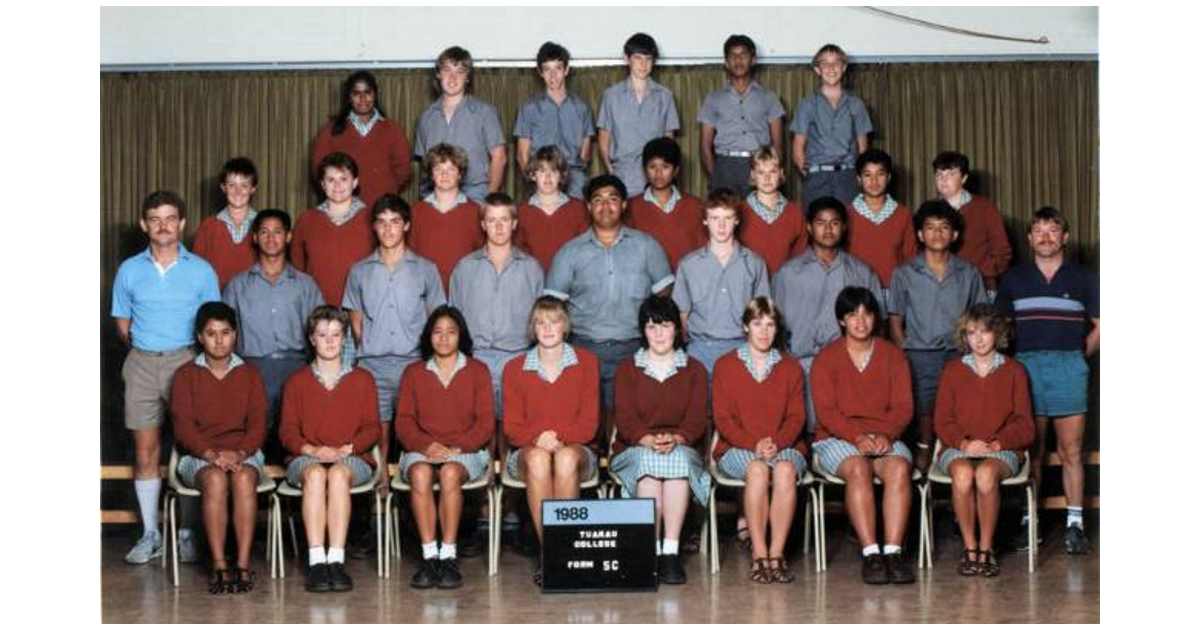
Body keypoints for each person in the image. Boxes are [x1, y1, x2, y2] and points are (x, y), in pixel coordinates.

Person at [112, 190, 220, 565]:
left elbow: (213, 325)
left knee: (191, 447)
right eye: (155, 218)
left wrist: (184, 355)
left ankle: (188, 532)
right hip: (142, 362)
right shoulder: (129, 270)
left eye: (170, 218)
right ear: (144, 224)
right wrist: (148, 350)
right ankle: (150, 534)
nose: (163, 225)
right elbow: (123, 326)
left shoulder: (202, 270)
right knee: (146, 450)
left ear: (182, 224)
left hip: (187, 362)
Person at [342, 194, 446, 544]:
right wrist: (369, 347)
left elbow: (437, 318)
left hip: (413, 362)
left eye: (394, 221)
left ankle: (418, 521)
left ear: (406, 226)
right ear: (374, 227)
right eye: (381, 222)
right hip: (372, 363)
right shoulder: (359, 270)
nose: (388, 229)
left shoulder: (426, 269)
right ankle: (377, 515)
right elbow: (354, 320)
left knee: (417, 432)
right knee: (378, 436)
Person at [994, 206, 1099, 554]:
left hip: (1069, 366)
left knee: (1071, 451)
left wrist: (1078, 356)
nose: (1045, 237)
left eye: (1053, 231)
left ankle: (1074, 524)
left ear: (1065, 237)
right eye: (1038, 231)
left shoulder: (1085, 277)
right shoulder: (1013, 279)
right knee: (1033, 451)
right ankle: (1031, 523)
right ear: (1029, 238)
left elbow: (1102, 324)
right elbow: (1001, 329)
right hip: (1028, 367)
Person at [545, 174, 674, 419]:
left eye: (612, 199)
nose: (606, 206)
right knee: (581, 421)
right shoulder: (570, 252)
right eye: (598, 200)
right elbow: (553, 306)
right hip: (583, 350)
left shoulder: (647, 246)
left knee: (633, 422)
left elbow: (664, 294)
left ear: (624, 204)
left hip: (635, 350)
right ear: (588, 206)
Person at [810, 287, 915, 585]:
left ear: (875, 318)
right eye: (852, 314)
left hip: (884, 435)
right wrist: (856, 437)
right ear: (842, 320)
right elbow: (826, 412)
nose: (860, 321)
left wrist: (887, 434)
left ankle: (893, 552)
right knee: (857, 467)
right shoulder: (826, 359)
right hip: (837, 438)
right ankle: (871, 554)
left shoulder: (893, 356)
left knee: (897, 467)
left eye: (867, 313)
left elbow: (904, 407)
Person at [280, 305, 382, 593]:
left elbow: (373, 427)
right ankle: (316, 562)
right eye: (322, 335)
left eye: (336, 335)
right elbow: (286, 430)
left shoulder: (363, 380)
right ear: (312, 339)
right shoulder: (297, 381)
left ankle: (336, 561)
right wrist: (310, 449)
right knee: (315, 475)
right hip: (306, 457)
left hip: (350, 457)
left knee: (337, 474)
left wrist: (348, 448)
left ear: (344, 339)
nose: (329, 341)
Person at [610, 296, 711, 585]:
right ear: (643, 331)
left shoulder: (694, 370)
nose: (658, 334)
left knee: (675, 463)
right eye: (651, 327)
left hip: (681, 446)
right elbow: (625, 418)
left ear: (676, 330)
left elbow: (696, 419)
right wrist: (647, 440)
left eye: (665, 326)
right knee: (650, 463)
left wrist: (678, 438)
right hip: (635, 447)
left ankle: (670, 552)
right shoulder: (627, 369)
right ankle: (649, 551)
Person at [502, 296, 601, 585]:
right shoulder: (514, 368)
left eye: (554, 321)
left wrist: (560, 440)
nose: (547, 328)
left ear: (565, 326)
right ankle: (554, 555)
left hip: (577, 449)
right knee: (538, 457)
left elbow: (590, 424)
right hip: (528, 451)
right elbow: (512, 428)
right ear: (533, 329)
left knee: (566, 457)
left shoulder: (587, 363)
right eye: (540, 322)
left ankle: (564, 549)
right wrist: (537, 439)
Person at [395, 306, 495, 590]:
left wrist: (456, 448)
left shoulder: (478, 371)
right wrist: (427, 446)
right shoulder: (413, 373)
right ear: (429, 337)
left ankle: (448, 555)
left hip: (466, 450)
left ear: (460, 335)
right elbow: (403, 422)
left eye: (451, 332)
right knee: (419, 474)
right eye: (437, 332)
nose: (444, 338)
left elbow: (485, 423)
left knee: (450, 473)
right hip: (422, 448)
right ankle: (430, 557)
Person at [170, 302, 267, 594]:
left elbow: (258, 426)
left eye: (225, 332)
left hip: (243, 453)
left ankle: (241, 564)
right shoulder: (186, 375)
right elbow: (183, 426)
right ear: (200, 337)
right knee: (214, 477)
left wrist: (238, 454)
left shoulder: (249, 374)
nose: (219, 340)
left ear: (235, 334)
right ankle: (219, 564)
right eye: (211, 333)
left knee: (243, 477)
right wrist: (211, 455)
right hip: (198, 456)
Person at [711, 296, 807, 584]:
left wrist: (776, 443)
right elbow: (724, 419)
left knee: (785, 469)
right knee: (756, 468)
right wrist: (755, 445)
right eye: (757, 324)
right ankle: (759, 555)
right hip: (737, 446)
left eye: (770, 324)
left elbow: (796, 417)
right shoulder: (726, 365)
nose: (764, 331)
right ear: (745, 327)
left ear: (777, 329)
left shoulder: (790, 368)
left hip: (785, 444)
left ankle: (777, 556)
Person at [934, 304, 1034, 578]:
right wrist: (964, 444)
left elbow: (1025, 424)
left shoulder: (1014, 371)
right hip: (959, 447)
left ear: (997, 334)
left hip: (1001, 448)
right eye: (971, 332)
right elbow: (942, 421)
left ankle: (987, 549)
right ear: (964, 336)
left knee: (986, 475)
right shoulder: (953, 371)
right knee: (965, 474)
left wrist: (999, 443)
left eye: (985, 332)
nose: (978, 339)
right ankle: (970, 548)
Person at [887, 200, 987, 472]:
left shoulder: (968, 273)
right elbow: (895, 319)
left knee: (961, 426)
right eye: (930, 228)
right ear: (920, 234)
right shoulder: (904, 273)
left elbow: (980, 318)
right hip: (920, 358)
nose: (938, 234)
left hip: (960, 357)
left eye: (944, 228)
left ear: (954, 235)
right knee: (924, 431)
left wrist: (973, 357)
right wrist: (905, 352)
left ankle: (958, 497)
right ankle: (922, 498)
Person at [771, 196, 883, 432]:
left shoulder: (862, 273)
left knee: (846, 431)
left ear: (844, 227)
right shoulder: (788, 273)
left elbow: (877, 326)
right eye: (821, 223)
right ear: (810, 227)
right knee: (801, 431)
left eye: (834, 223)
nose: (828, 229)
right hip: (801, 363)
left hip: (848, 366)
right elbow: (774, 325)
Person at [222, 209, 323, 439]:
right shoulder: (237, 285)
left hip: (297, 367)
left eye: (277, 232)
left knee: (297, 433)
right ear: (255, 237)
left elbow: (321, 331)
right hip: (252, 369)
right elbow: (226, 334)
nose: (271, 238)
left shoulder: (306, 285)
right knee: (254, 436)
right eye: (264, 232)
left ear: (288, 236)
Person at [673, 188, 770, 376]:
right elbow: (681, 316)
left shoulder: (754, 263)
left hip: (742, 347)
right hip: (700, 350)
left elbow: (763, 315)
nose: (721, 225)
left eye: (727, 217)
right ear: (705, 220)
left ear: (737, 220)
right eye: (715, 218)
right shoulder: (688, 265)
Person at [414, 46, 507, 202]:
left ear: (468, 77)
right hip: (436, 199)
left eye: (460, 71)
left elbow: (500, 158)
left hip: (476, 197)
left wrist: (488, 201)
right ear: (438, 74)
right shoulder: (426, 118)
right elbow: (425, 166)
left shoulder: (485, 112)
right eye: (447, 70)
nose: (453, 77)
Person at [698, 34, 785, 197]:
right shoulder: (713, 98)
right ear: (726, 62)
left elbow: (778, 145)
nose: (738, 60)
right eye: (733, 55)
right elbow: (704, 147)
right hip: (725, 165)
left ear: (753, 60)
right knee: (727, 218)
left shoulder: (769, 97)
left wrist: (770, 173)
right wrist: (716, 175)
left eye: (743, 54)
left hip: (759, 164)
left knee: (757, 218)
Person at [310, 70, 412, 208]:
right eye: (356, 93)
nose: (363, 98)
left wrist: (386, 188)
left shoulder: (392, 129)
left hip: (383, 209)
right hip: (345, 208)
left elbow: (404, 170)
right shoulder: (332, 130)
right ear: (349, 97)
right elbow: (319, 169)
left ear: (375, 95)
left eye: (367, 92)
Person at [790, 44, 873, 209]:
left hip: (847, 176)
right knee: (817, 227)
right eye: (825, 63)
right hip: (817, 176)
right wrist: (812, 175)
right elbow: (798, 149)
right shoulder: (807, 104)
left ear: (844, 67)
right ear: (817, 69)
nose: (831, 68)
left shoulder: (856, 104)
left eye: (836, 62)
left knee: (849, 227)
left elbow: (864, 149)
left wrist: (857, 175)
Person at [596, 32, 680, 195]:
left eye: (648, 59)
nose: (643, 64)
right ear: (626, 59)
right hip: (622, 174)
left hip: (655, 176)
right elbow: (604, 138)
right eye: (638, 58)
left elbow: (669, 142)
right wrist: (609, 169)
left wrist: (664, 174)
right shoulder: (611, 96)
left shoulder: (665, 96)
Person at [290, 152, 374, 307]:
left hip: (360, 309)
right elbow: (297, 268)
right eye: (330, 180)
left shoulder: (372, 218)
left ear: (355, 182)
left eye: (343, 179)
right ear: (322, 184)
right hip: (317, 308)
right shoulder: (307, 220)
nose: (337, 186)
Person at [513, 41, 594, 199]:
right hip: (543, 179)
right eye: (547, 69)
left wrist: (569, 174)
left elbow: (585, 154)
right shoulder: (528, 108)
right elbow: (522, 155)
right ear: (540, 72)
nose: (552, 75)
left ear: (566, 70)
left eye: (557, 68)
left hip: (575, 180)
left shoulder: (582, 107)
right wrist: (536, 180)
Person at [932, 151, 1012, 296]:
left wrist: (986, 273)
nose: (944, 180)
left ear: (964, 178)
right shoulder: (930, 210)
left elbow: (1002, 251)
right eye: (939, 175)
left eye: (951, 175)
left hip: (980, 288)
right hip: (941, 289)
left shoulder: (985, 207)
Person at [408, 143, 486, 290]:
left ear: (460, 174)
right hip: (425, 292)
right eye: (438, 169)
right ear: (431, 174)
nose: (444, 175)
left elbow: (482, 257)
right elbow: (410, 256)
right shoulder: (416, 212)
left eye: (451, 169)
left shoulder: (475, 211)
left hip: (465, 290)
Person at [845, 149, 916, 301]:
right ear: (858, 179)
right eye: (868, 175)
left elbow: (911, 259)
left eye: (880, 174)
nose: (874, 181)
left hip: (895, 295)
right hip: (857, 294)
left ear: (889, 177)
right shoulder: (846, 214)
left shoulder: (903, 214)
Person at [625, 137, 706, 270]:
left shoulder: (695, 206)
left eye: (665, 167)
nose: (658, 173)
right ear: (644, 169)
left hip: (687, 283)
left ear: (676, 170)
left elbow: (703, 252)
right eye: (652, 167)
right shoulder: (631, 207)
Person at [515, 145, 591, 272]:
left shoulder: (579, 209)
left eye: (553, 171)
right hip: (534, 283)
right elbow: (517, 254)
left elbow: (585, 251)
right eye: (542, 171)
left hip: (570, 284)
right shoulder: (521, 212)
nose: (548, 177)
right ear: (533, 175)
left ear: (561, 176)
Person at [738, 147, 807, 275]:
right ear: (753, 174)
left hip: (785, 286)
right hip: (749, 287)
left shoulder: (795, 213)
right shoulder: (739, 212)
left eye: (772, 171)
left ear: (781, 173)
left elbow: (800, 258)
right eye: (761, 172)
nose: (767, 178)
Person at [193, 157, 260, 289]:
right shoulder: (209, 226)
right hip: (217, 302)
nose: (238, 191)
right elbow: (197, 270)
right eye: (231, 185)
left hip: (254, 302)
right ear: (223, 187)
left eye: (244, 185)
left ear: (253, 188)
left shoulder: (263, 226)